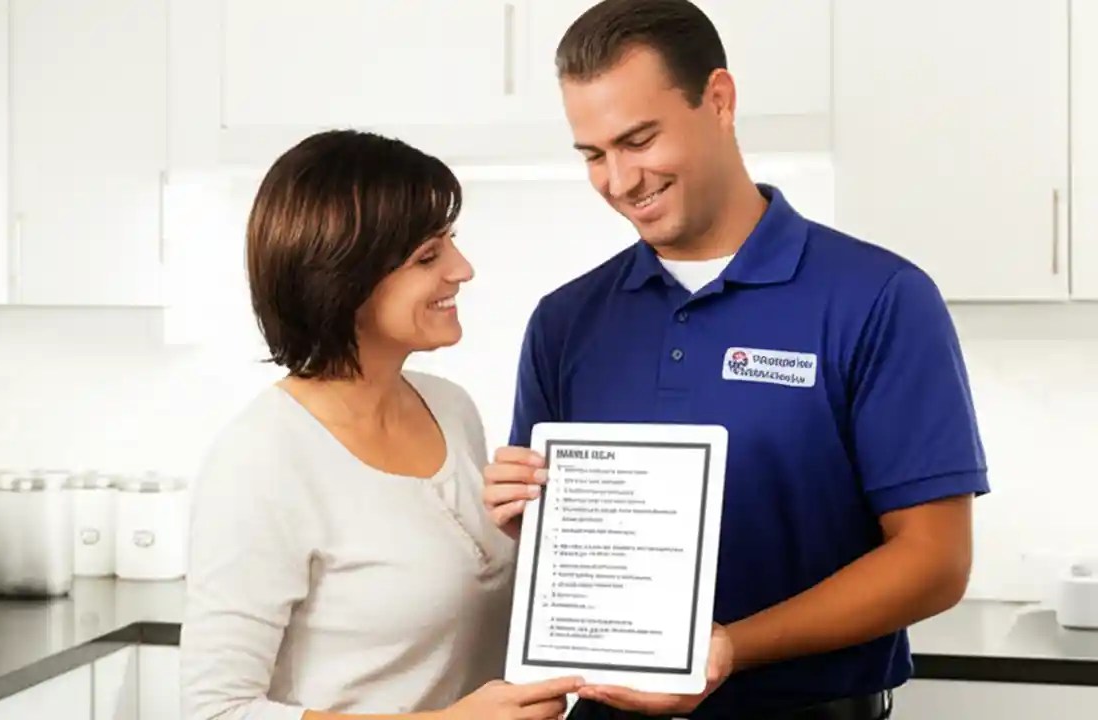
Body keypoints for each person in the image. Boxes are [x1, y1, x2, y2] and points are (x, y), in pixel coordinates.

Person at [482, 1, 988, 718]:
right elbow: (575, 560)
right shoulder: (566, 321)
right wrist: (532, 524)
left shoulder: (878, 298)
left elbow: (936, 562)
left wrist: (729, 647)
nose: (620, 181)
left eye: (639, 139)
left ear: (718, 100)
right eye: (594, 155)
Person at [181, 129, 582, 720]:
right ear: (343, 281)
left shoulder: (450, 407)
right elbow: (213, 712)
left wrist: (542, 530)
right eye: (428, 256)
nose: (462, 269)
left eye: (450, 242)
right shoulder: (263, 457)